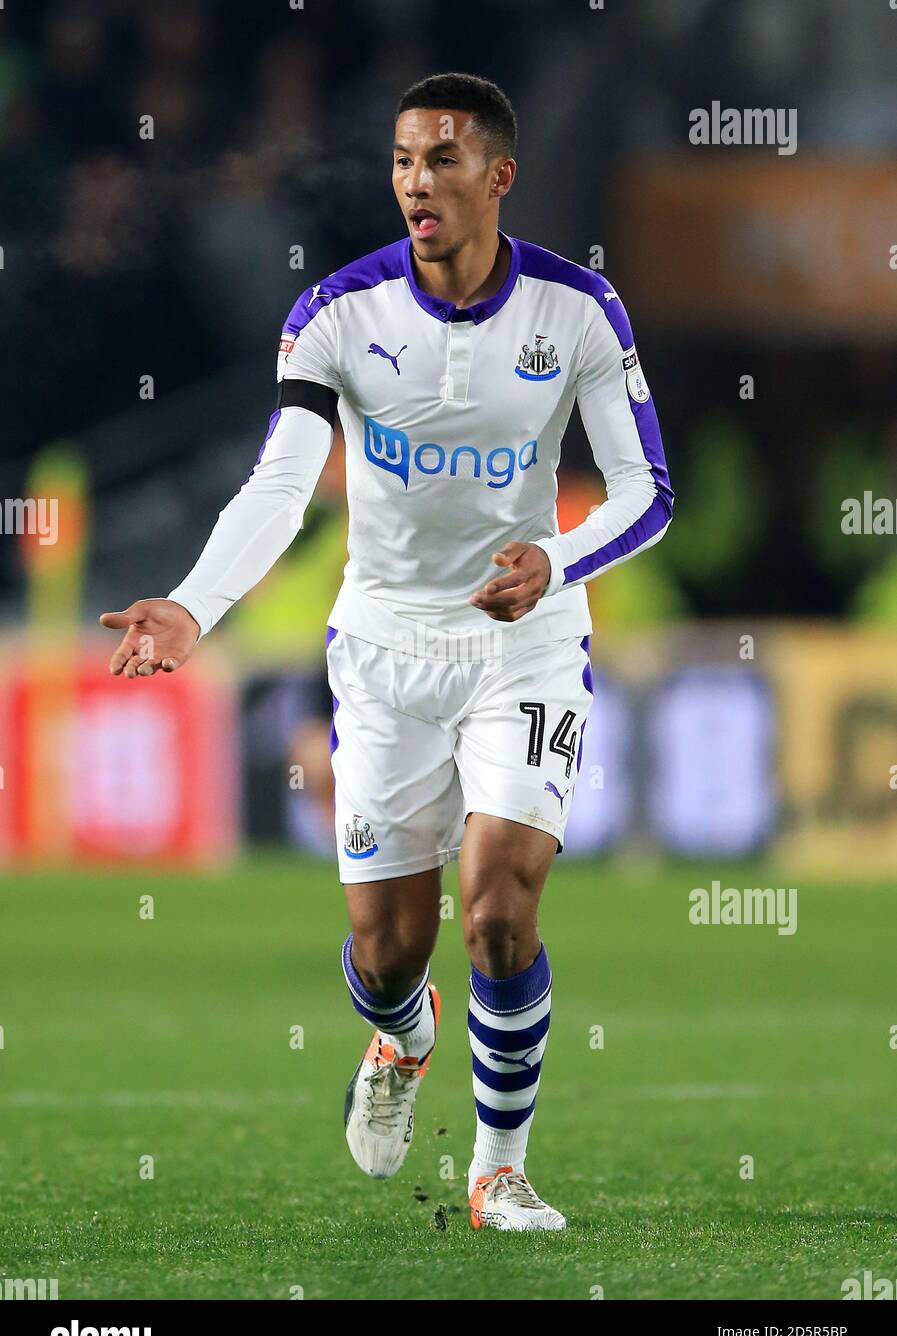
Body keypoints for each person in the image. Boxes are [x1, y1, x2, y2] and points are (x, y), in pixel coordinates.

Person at [100, 72, 673, 1231]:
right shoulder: (337, 314)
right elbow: (278, 479)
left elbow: (647, 492)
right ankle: (401, 1038)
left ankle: (498, 1168)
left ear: (499, 176)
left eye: (445, 160)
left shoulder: (577, 311)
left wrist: (555, 564)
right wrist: (195, 608)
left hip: (524, 638)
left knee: (501, 901)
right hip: (385, 649)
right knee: (387, 948)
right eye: (406, 160)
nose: (419, 182)